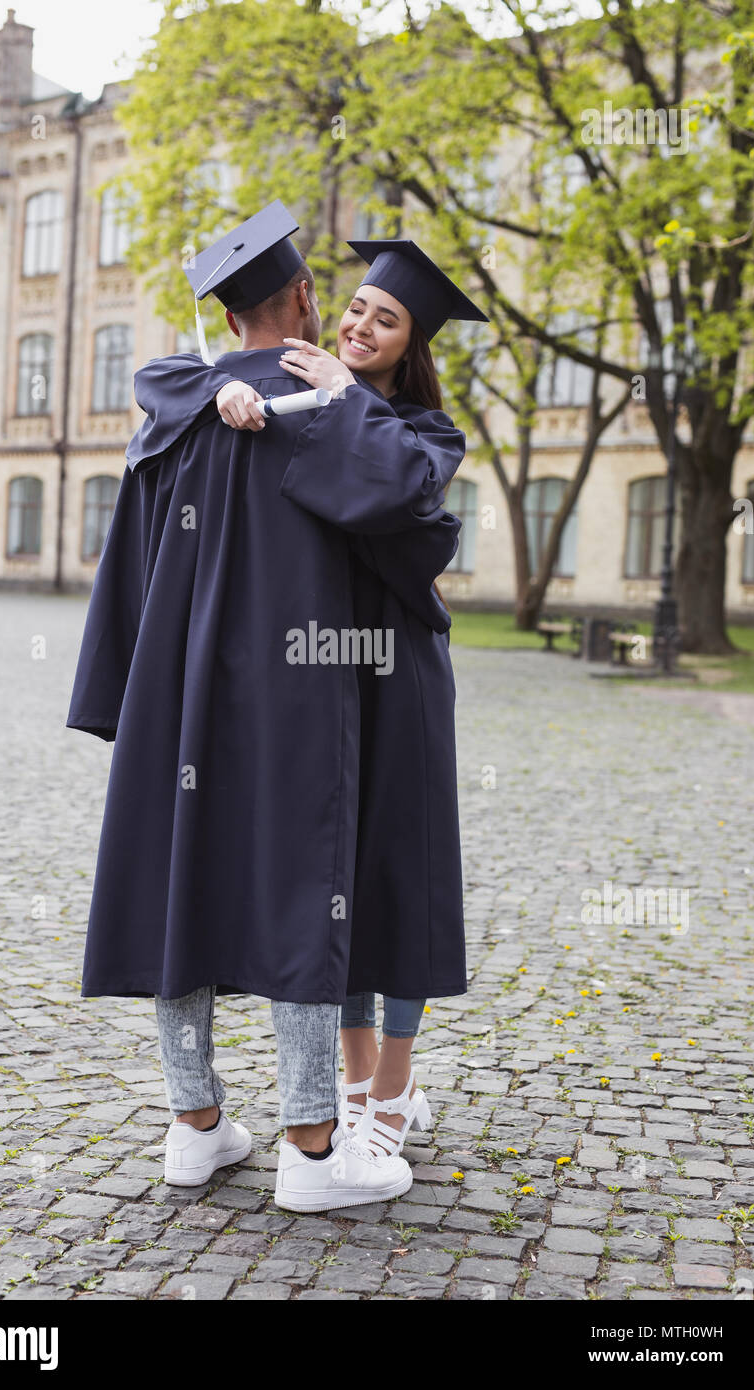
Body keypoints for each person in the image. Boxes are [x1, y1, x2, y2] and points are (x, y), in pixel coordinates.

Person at [66, 204, 463, 1213]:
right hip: (293, 696)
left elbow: (126, 568)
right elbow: (414, 520)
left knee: (176, 887)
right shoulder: (312, 417)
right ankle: (311, 1149)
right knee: (302, 889)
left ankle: (195, 1127)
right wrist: (320, 401)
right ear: (302, 298)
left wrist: (120, 691)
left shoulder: (179, 410)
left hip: (179, 695)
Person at [215, 237, 488, 1162]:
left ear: (411, 343)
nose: (361, 326)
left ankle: (392, 1093)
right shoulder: (305, 396)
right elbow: (173, 382)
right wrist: (229, 391)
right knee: (338, 880)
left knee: (400, 882)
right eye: (357, 308)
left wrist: (339, 392)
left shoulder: (428, 436)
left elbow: (400, 492)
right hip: (321, 680)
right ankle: (354, 1078)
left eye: (386, 319)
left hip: (399, 677)